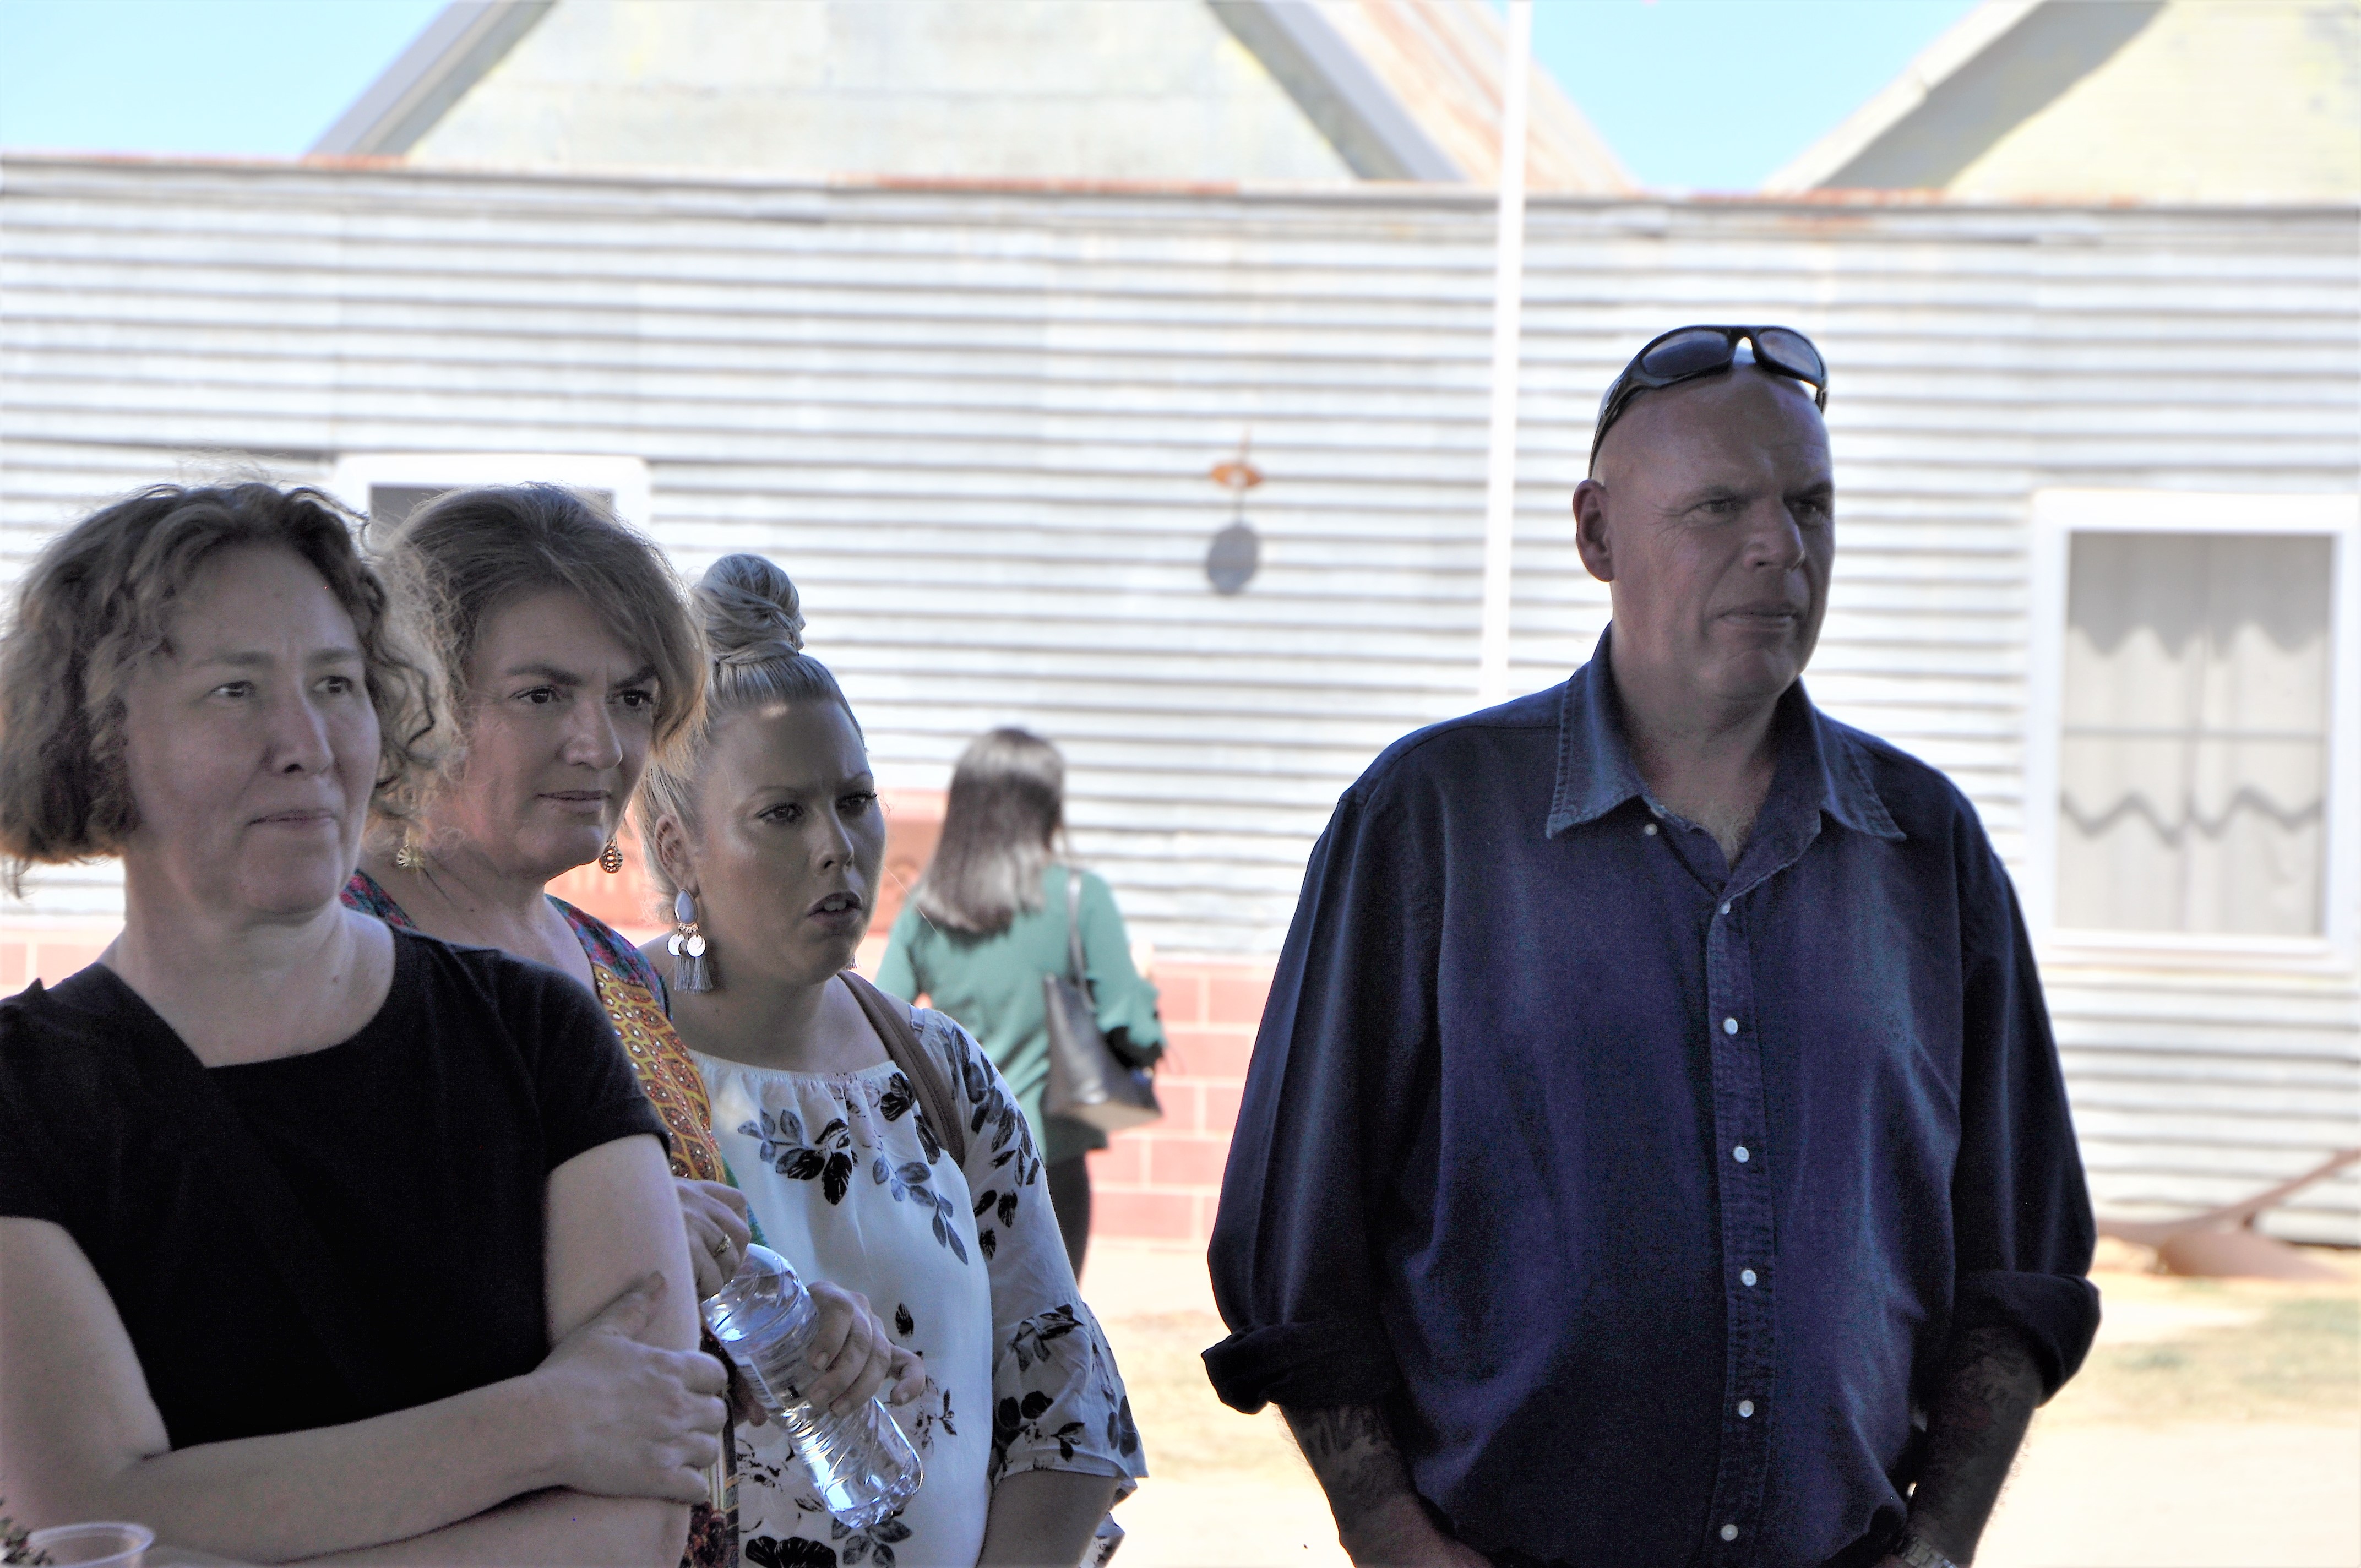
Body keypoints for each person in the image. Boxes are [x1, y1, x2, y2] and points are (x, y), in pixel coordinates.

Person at [1205, 327, 2099, 1568]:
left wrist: (1940, 1541)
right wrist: (1384, 1528)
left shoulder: (1922, 845)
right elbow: (1296, 1243)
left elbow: (2021, 1258)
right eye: (1718, 505)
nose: (1778, 547)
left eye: (1807, 504)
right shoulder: (1432, 820)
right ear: (1595, 534)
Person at [0, 482, 722, 1563]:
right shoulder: (26, 1092)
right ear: (95, 741)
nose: (305, 741)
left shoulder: (538, 1029)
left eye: (336, 683)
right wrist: (542, 1420)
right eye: (236, 689)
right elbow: (93, 1510)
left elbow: (639, 1522)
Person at [341, 483, 909, 1563]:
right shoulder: (340, 948)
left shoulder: (612, 968)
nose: (600, 742)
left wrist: (795, 1321)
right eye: (542, 693)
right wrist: (602, 1225)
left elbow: (692, 1272)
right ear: (417, 701)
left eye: (633, 695)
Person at [635, 555, 1146, 1566]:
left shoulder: (941, 1070)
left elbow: (1063, 1398)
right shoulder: (598, 1049)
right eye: (783, 813)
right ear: (679, 847)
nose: (838, 846)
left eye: (855, 800)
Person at [876, 728, 1166, 1277]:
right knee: (1051, 1316)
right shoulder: (1080, 897)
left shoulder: (925, 907)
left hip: (954, 1160)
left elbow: (882, 1020)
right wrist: (1144, 987)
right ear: (1047, 809)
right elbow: (1134, 1030)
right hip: (1052, 1160)